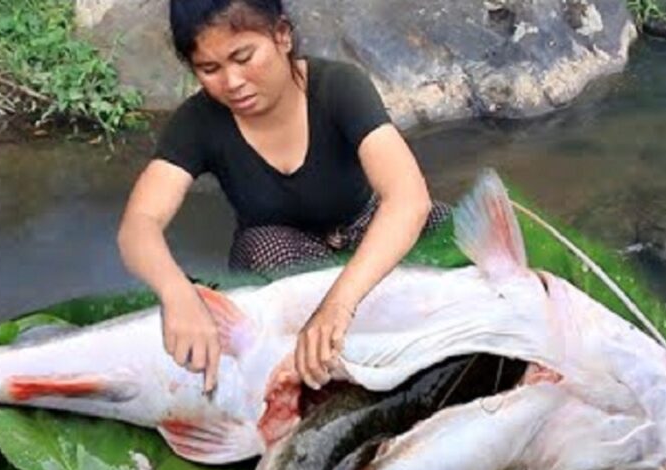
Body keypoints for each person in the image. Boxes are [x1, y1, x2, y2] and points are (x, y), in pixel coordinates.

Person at [117, 0, 450, 393]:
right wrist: (176, 292)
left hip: (362, 232)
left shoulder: (338, 87)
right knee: (263, 245)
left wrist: (338, 304)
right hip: (282, 262)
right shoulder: (197, 123)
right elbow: (139, 224)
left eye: (243, 57)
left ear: (282, 35)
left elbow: (408, 198)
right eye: (209, 69)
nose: (232, 82)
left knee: (443, 223)